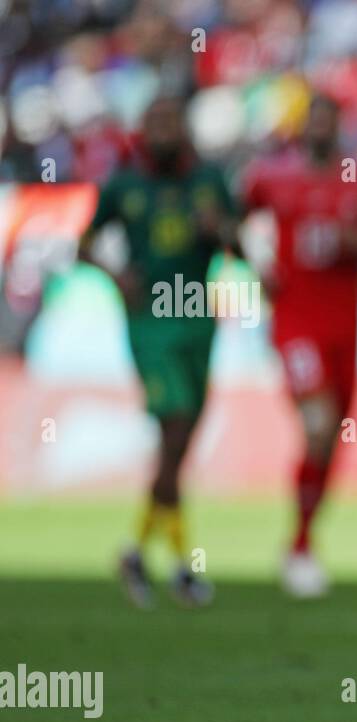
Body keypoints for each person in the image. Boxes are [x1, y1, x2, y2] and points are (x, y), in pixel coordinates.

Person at [79, 95, 239, 608]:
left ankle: (138, 552)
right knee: (174, 426)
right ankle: (179, 564)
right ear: (143, 130)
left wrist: (221, 231)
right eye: (154, 121)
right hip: (150, 322)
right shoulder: (124, 184)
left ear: (183, 129)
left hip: (196, 319)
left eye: (170, 120)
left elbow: (237, 242)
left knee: (181, 440)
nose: (163, 130)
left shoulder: (209, 181)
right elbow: (84, 243)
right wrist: (113, 274)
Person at [243, 94, 357, 597]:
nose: (321, 128)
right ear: (303, 127)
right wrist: (258, 267)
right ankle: (301, 546)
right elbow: (230, 217)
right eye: (314, 120)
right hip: (295, 326)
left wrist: (353, 242)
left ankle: (303, 542)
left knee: (332, 441)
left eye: (330, 119)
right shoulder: (272, 178)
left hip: (345, 333)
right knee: (320, 426)